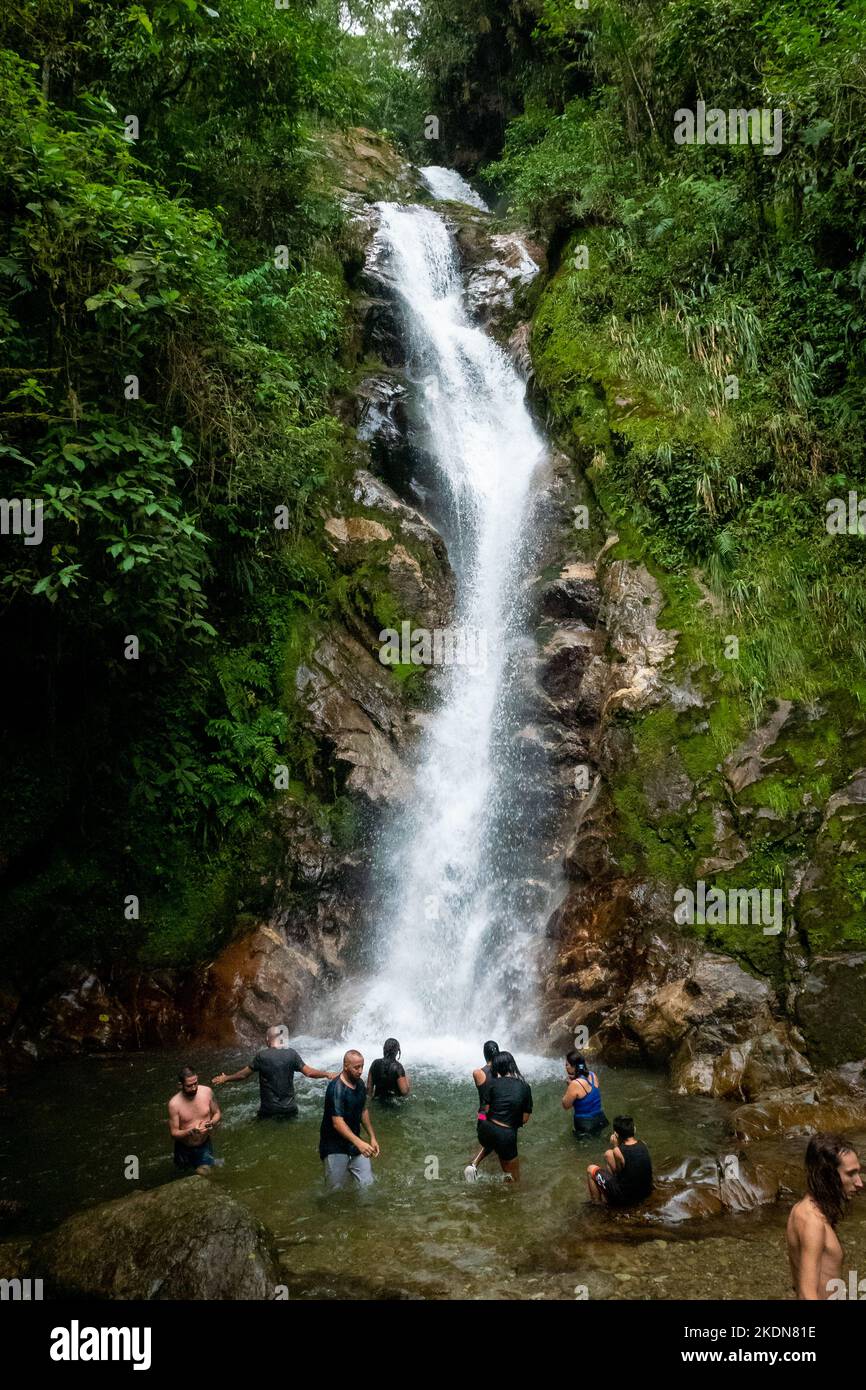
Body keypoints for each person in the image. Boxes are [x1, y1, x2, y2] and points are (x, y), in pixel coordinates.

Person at [786, 1133, 863, 1299]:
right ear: (828, 1175)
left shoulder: (802, 1209)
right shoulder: (812, 1222)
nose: (859, 1183)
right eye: (851, 1174)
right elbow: (807, 1294)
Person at [212, 1026, 336, 1118]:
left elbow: (243, 1075)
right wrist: (327, 1074)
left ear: (267, 1039)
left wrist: (226, 1078)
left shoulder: (262, 1056)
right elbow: (309, 1073)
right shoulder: (291, 1054)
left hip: (269, 1110)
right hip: (290, 1109)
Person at [465, 1051, 532, 1184]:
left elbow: (484, 1110)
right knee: (514, 1177)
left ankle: (473, 1165)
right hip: (505, 1134)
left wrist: (481, 1126)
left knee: (491, 1140)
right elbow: (525, 1119)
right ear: (512, 1065)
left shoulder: (492, 1084)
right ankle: (509, 1198)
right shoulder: (525, 1087)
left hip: (486, 1129)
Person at [319, 1049, 380, 1190]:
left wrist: (372, 1137)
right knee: (334, 1191)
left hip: (354, 1144)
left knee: (368, 1186)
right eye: (356, 1067)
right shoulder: (336, 1088)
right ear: (345, 1066)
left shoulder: (359, 1084)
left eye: (362, 1066)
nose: (360, 1071)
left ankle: (365, 1211)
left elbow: (363, 1110)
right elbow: (337, 1122)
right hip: (334, 1147)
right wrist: (359, 1143)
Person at [587, 1115, 652, 1208]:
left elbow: (619, 1172)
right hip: (644, 1192)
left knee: (590, 1169)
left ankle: (597, 1204)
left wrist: (616, 1145)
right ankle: (609, 1192)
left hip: (625, 1198)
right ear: (634, 1129)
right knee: (608, 1154)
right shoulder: (643, 1144)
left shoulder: (618, 1151)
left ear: (616, 1134)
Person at [168, 1066, 221, 1175]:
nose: (193, 1088)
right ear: (180, 1085)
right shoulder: (174, 1104)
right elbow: (173, 1133)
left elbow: (217, 1113)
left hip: (204, 1145)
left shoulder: (207, 1092)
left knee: (204, 1173)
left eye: (195, 1083)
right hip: (183, 1148)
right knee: (181, 1175)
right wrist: (191, 1131)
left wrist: (211, 1123)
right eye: (189, 1086)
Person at [465, 1040, 499, 1174]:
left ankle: (475, 1164)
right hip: (499, 1112)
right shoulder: (504, 1073)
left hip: (482, 1113)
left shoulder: (478, 1073)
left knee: (483, 1136)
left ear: (484, 1055)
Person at [561, 1050, 608, 1138]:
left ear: (574, 1066)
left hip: (585, 1124)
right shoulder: (593, 1075)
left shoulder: (575, 1084)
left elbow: (565, 1105)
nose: (565, 1067)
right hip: (600, 1120)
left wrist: (570, 1086)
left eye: (567, 1064)